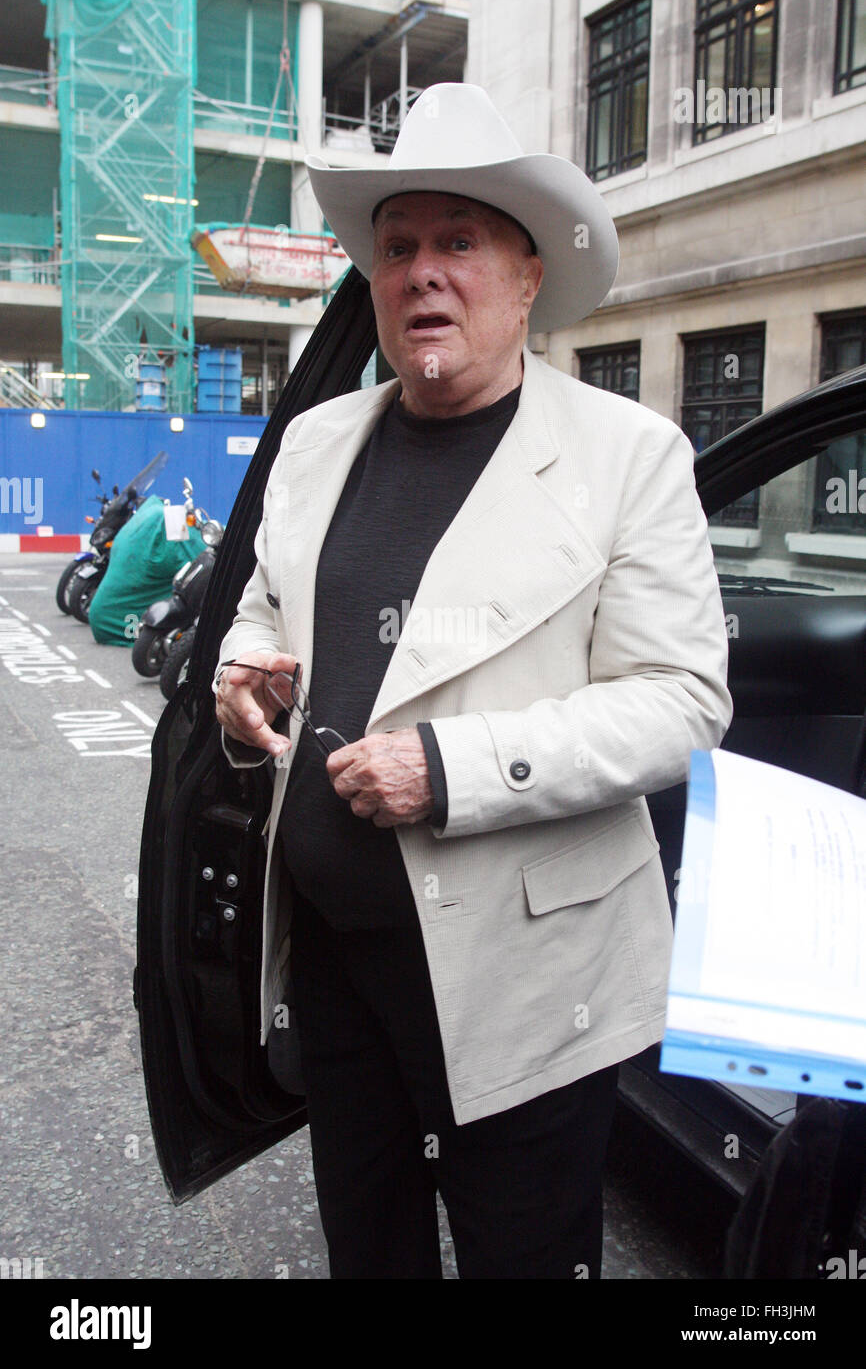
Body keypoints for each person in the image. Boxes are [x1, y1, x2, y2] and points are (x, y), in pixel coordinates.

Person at [212, 83, 733, 1279]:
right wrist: (245, 676)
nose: (421, 273)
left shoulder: (628, 455)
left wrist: (447, 769)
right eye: (397, 247)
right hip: (337, 963)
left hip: (526, 979)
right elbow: (263, 605)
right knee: (370, 1249)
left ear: (527, 274)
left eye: (458, 242)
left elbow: (677, 700)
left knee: (522, 1256)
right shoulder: (314, 441)